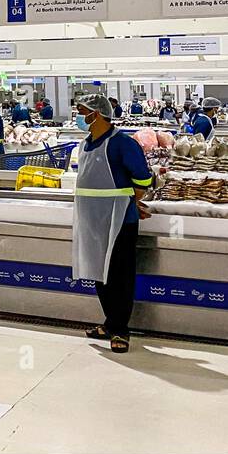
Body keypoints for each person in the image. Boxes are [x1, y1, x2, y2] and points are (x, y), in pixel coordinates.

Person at [72, 93, 153, 354]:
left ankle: (121, 330)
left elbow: (143, 179)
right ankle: (110, 322)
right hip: (92, 221)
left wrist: (130, 201)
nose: (79, 116)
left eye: (82, 110)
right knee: (99, 273)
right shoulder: (86, 144)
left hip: (119, 221)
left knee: (119, 275)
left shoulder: (122, 144)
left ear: (96, 114)